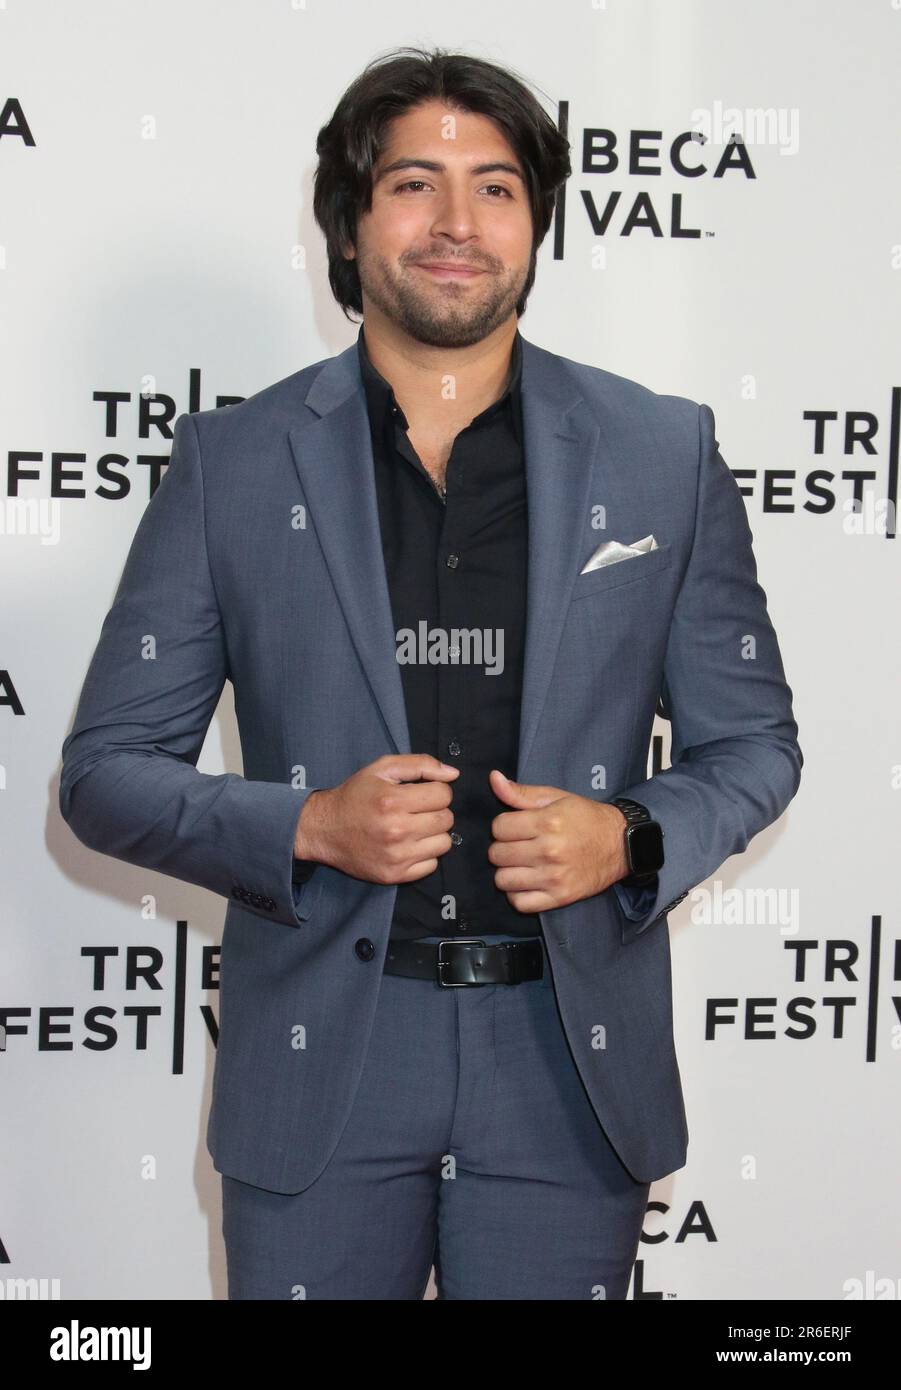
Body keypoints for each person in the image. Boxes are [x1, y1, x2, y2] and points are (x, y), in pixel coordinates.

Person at [59, 46, 802, 1300]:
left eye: (496, 187)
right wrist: (304, 823)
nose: (456, 223)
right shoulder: (235, 464)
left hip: (564, 1065)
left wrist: (628, 833)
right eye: (414, 183)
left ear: (537, 226)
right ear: (349, 227)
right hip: (326, 1069)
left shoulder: (659, 451)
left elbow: (755, 747)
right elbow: (104, 775)